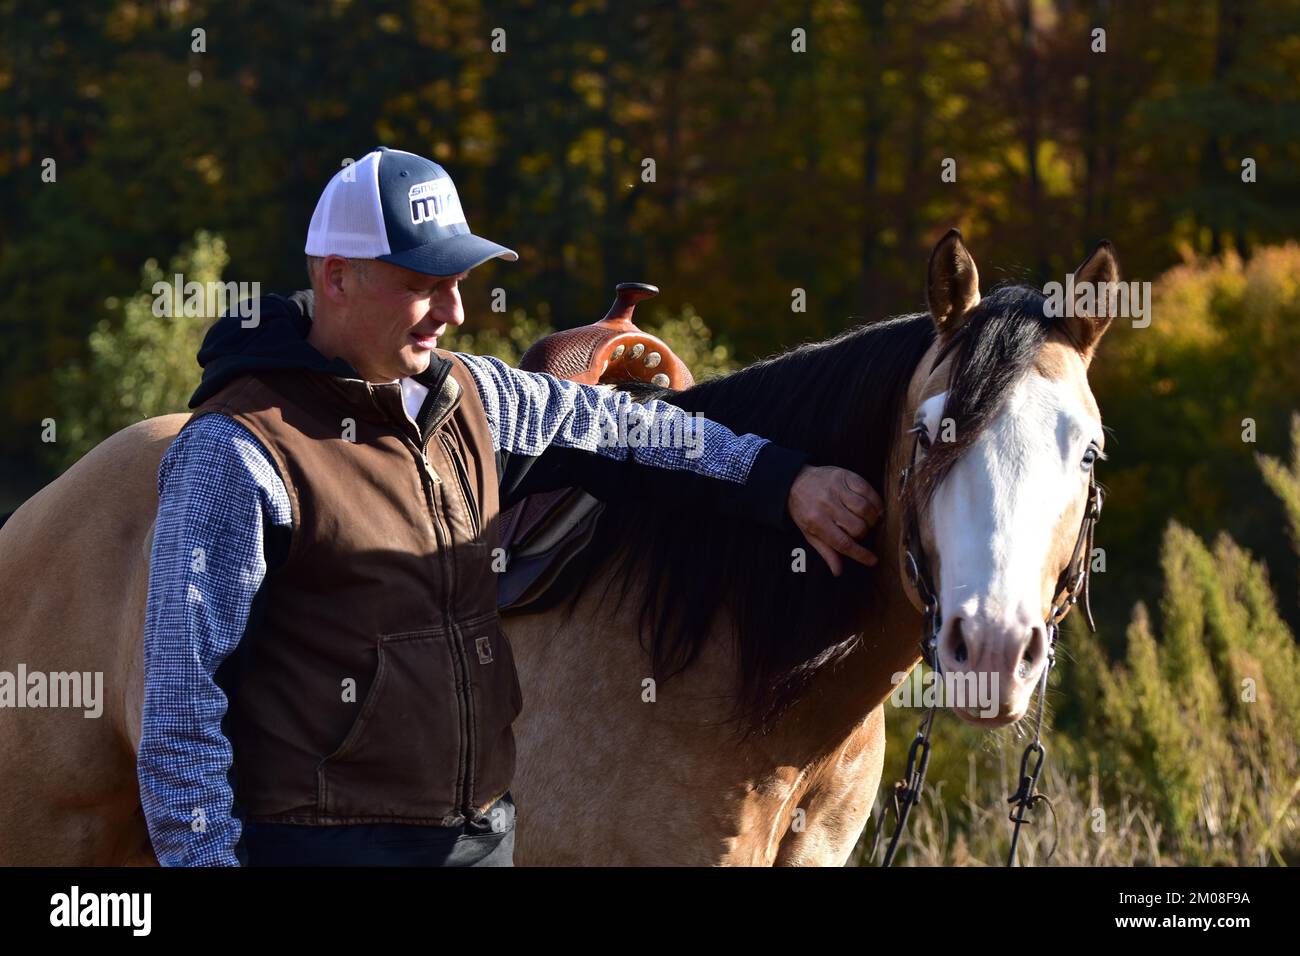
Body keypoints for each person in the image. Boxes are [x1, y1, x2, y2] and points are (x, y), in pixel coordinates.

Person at [137, 146, 883, 866]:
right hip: (328, 847)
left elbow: (633, 429)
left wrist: (781, 480)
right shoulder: (236, 452)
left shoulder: (475, 398)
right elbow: (180, 710)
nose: (453, 311)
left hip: (479, 842)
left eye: (459, 281)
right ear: (337, 277)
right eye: (424, 284)